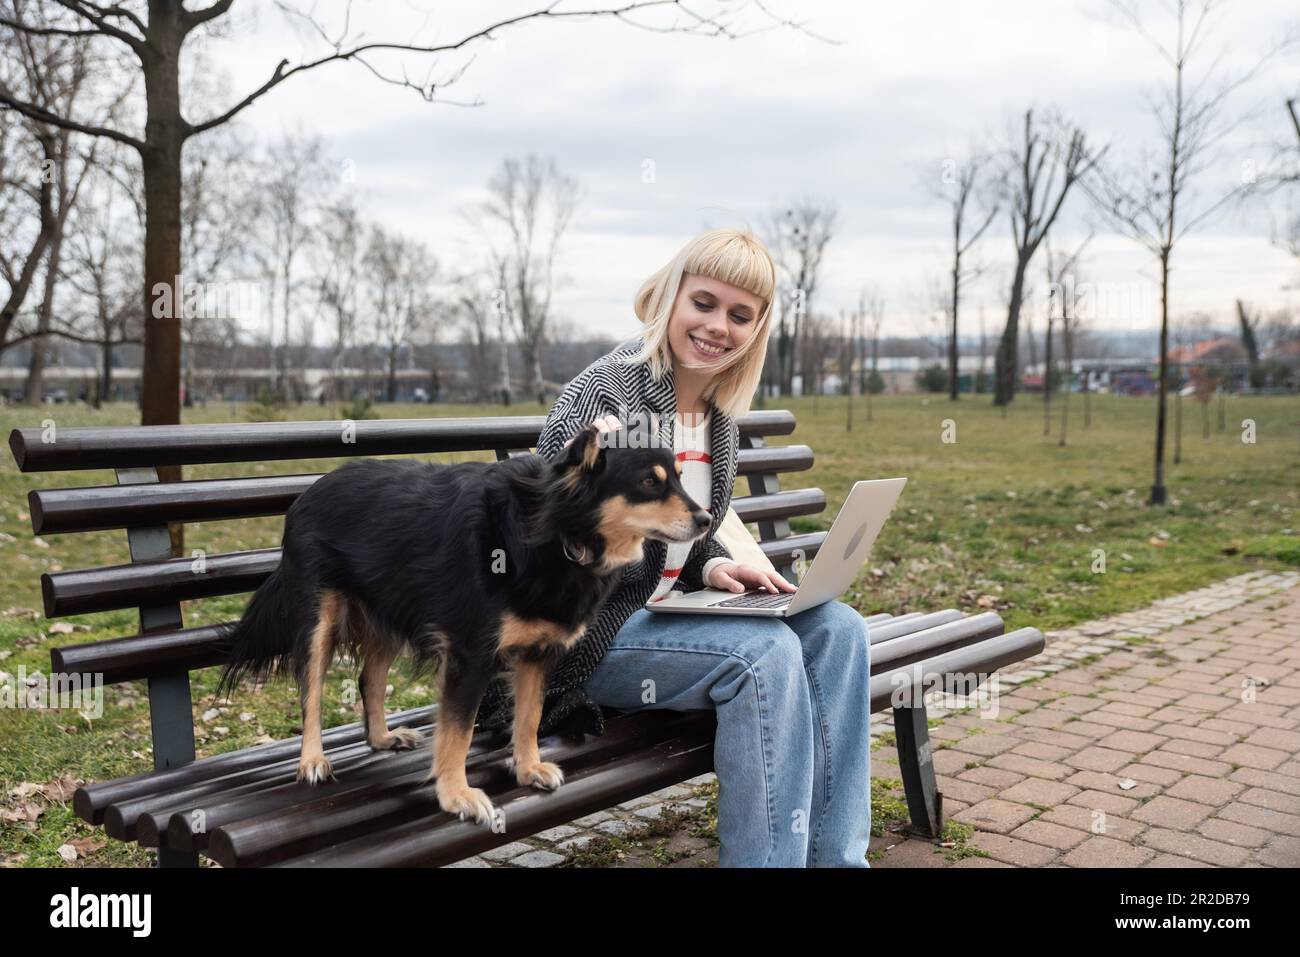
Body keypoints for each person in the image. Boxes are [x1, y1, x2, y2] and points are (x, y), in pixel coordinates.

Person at [475, 227, 873, 867]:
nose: (719, 326)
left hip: (664, 617)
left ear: (757, 330)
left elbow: (684, 522)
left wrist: (715, 562)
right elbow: (541, 542)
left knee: (838, 630)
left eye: (741, 315)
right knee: (761, 654)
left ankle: (837, 860)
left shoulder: (717, 417)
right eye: (705, 303)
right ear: (671, 297)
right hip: (582, 633)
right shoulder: (609, 396)